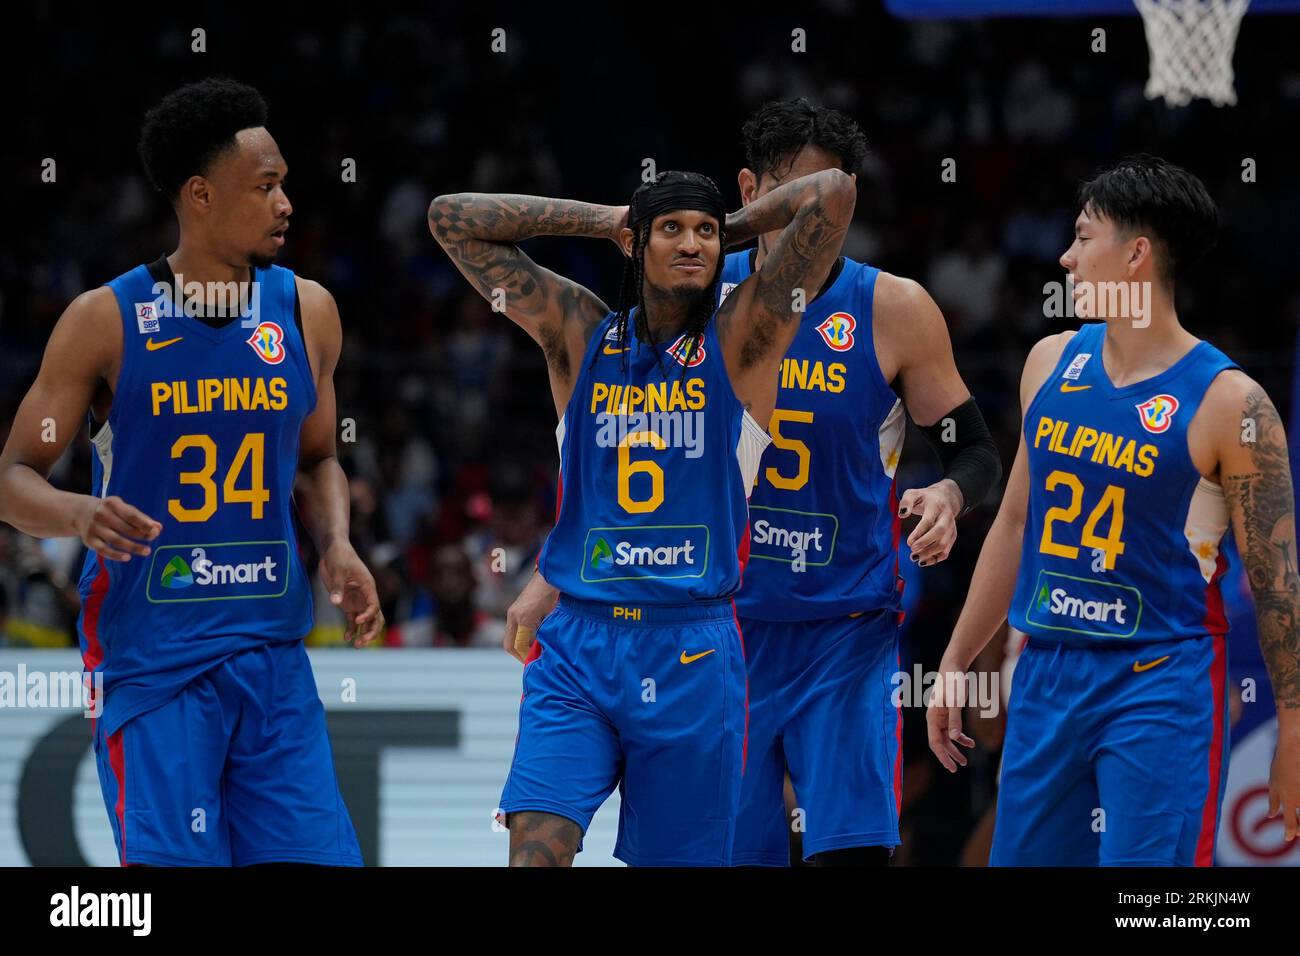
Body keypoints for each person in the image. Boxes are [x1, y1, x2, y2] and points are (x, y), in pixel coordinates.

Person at [505, 99, 1002, 866]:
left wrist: (948, 492)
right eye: (785, 196)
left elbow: (974, 447)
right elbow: (622, 451)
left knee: (853, 854)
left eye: (819, 196)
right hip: (721, 630)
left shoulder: (894, 308)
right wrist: (549, 574)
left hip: (845, 627)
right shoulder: (699, 299)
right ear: (749, 189)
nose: (806, 217)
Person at [0, 78, 382, 866]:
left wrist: (338, 542)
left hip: (273, 656)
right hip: (154, 661)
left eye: (285, 185)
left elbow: (319, 457)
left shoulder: (307, 310)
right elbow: (14, 476)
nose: (286, 205)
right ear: (201, 196)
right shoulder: (106, 320)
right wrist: (77, 514)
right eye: (265, 187)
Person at [429, 165, 855, 865]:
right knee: (534, 853)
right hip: (578, 646)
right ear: (636, 243)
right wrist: (608, 220)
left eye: (705, 232)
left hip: (691, 649)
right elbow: (452, 216)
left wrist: (722, 224)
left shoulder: (743, 340)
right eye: (672, 229)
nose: (692, 243)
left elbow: (832, 194)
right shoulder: (579, 333)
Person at [928, 155, 1300, 865]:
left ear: (1136, 254)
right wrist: (955, 659)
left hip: (1160, 680)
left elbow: (1279, 587)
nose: (1065, 258)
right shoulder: (1049, 361)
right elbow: (1015, 524)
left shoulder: (1233, 403)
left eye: (1082, 237)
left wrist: (1295, 735)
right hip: (1047, 669)